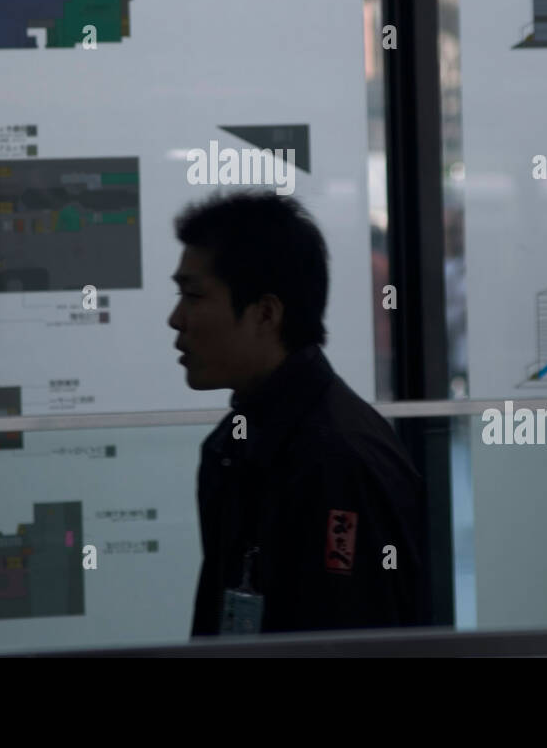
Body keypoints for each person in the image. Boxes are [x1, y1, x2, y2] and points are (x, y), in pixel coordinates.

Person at [168, 190, 429, 637]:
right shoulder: (233, 443)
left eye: (193, 297)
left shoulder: (338, 459)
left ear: (265, 313)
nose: (176, 319)